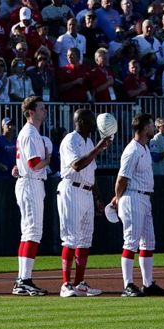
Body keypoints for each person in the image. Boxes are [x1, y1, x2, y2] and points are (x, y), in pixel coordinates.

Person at [112, 113, 164, 297]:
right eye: (152, 125)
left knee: (148, 242)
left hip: (144, 198)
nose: (154, 127)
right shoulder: (132, 150)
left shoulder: (144, 148)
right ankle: (128, 285)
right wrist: (117, 198)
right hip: (132, 197)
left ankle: (148, 283)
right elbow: (121, 179)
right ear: (145, 128)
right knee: (131, 242)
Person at [57, 108, 112, 297]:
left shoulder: (88, 141)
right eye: (90, 121)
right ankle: (66, 284)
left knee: (85, 239)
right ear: (80, 122)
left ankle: (79, 283)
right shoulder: (70, 140)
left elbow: (91, 173)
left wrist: (97, 198)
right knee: (71, 238)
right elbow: (77, 165)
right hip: (71, 189)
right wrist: (99, 148)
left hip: (86, 191)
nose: (94, 125)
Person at [13, 96, 53, 296]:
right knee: (33, 232)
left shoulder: (30, 133)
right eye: (41, 108)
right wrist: (49, 159)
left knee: (28, 232)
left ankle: (22, 279)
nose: (44, 111)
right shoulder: (30, 132)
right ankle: (24, 280)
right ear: (31, 112)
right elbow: (35, 164)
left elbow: (21, 164)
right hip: (31, 183)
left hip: (29, 182)